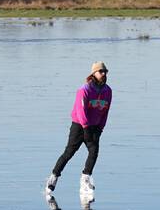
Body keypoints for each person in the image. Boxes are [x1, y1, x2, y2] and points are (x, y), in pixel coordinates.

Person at [45, 61, 111, 202]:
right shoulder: (84, 90)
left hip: (94, 126)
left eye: (105, 72)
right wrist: (85, 128)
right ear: (94, 73)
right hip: (79, 125)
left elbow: (105, 111)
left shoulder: (107, 91)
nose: (104, 74)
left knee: (94, 152)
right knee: (69, 152)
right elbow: (80, 110)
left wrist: (101, 127)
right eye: (101, 72)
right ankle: (53, 177)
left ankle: (85, 179)